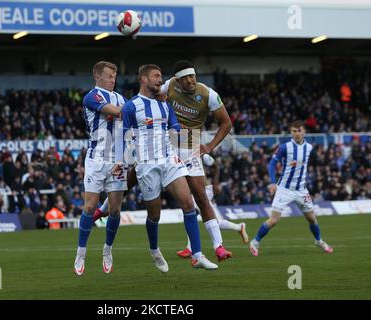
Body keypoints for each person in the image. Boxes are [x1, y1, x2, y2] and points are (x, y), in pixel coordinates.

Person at [94, 60, 234, 262]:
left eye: (192, 76)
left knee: (200, 196)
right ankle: (103, 209)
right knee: (130, 178)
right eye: (184, 77)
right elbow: (150, 97)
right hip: (163, 142)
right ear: (177, 79)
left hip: (189, 144)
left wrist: (210, 146)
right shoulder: (167, 86)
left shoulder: (208, 94)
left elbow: (226, 122)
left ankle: (218, 246)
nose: (189, 81)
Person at [122, 64, 218, 272]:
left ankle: (198, 255)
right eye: (156, 76)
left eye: (161, 76)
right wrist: (124, 161)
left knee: (188, 203)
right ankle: (155, 250)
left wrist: (192, 137)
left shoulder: (165, 105)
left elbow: (175, 127)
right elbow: (123, 136)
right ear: (144, 79)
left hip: (169, 160)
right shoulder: (131, 106)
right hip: (147, 166)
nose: (160, 80)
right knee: (154, 215)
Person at [73, 61, 128, 276]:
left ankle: (107, 250)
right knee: (90, 207)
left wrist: (123, 158)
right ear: (97, 77)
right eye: (108, 76)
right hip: (96, 159)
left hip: (117, 161)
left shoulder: (121, 98)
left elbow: (126, 124)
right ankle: (81, 252)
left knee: (114, 210)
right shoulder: (92, 97)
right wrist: (129, 110)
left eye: (114, 76)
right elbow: (117, 112)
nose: (112, 79)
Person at [249, 120, 334, 256]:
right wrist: (272, 183)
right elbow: (271, 164)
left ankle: (319, 241)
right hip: (284, 189)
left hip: (301, 190)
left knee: (312, 219)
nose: (297, 133)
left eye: (299, 130)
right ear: (291, 132)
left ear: (304, 131)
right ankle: (255, 242)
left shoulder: (309, 148)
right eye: (294, 131)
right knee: (274, 220)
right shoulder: (284, 147)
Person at [177, 154, 249, 258]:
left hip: (205, 190)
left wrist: (215, 183)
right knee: (211, 220)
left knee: (192, 213)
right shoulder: (177, 153)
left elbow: (216, 166)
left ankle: (190, 249)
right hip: (194, 192)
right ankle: (239, 227)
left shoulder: (201, 154)